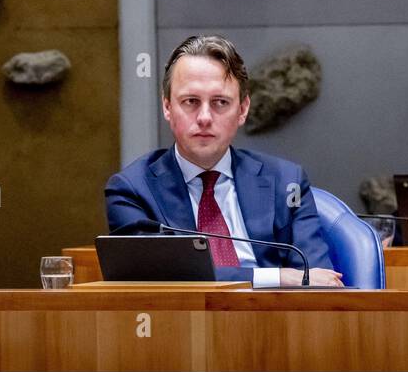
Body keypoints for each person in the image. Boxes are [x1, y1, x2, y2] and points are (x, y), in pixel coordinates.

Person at [105, 35, 342, 286]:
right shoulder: (131, 190)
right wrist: (276, 276)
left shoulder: (286, 182)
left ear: (242, 110)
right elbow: (156, 277)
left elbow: (318, 280)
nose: (205, 117)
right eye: (190, 102)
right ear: (167, 107)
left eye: (220, 102)